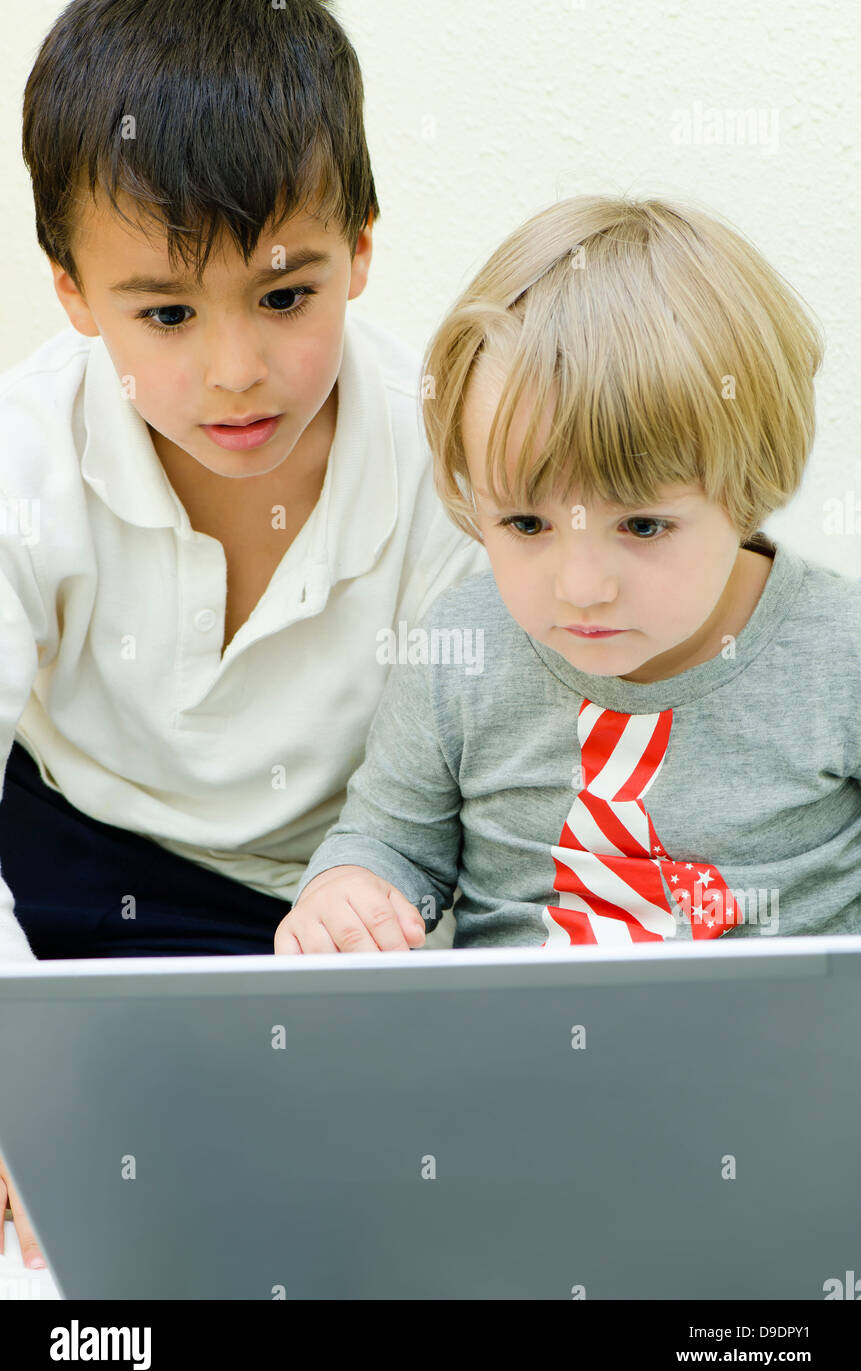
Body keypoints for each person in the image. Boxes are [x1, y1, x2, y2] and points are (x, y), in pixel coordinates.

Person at [0, 0, 489, 1263]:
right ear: (71, 293)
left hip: (316, 904)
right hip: (65, 868)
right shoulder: (26, 454)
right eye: (164, 314)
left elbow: (474, 789)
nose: (235, 371)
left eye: (283, 295)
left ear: (362, 251)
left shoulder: (451, 464)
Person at [274, 194, 861, 956]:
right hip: (524, 1057)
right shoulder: (462, 650)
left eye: (642, 526)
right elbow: (392, 847)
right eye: (525, 525)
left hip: (787, 1061)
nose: (581, 587)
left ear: (748, 486)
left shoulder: (836, 654)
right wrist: (351, 893)